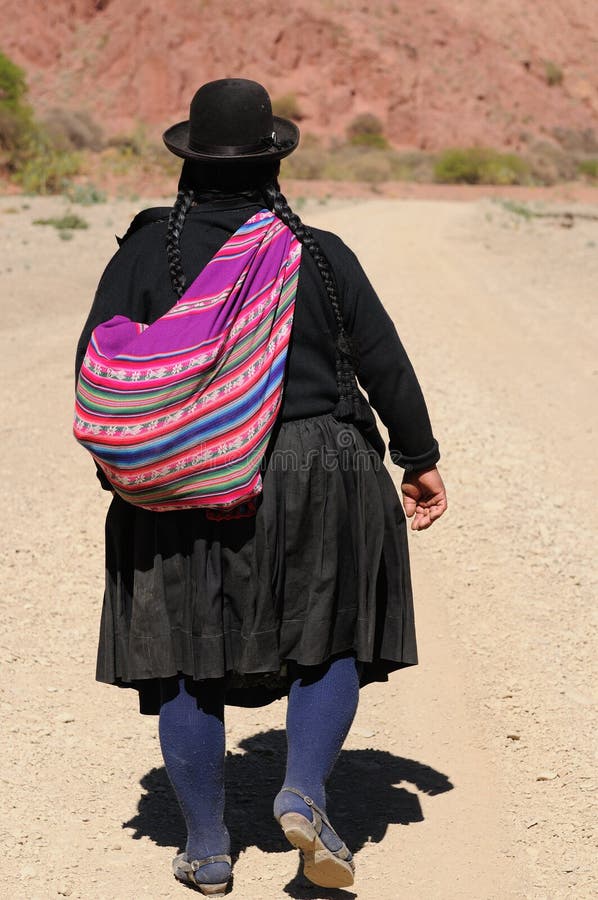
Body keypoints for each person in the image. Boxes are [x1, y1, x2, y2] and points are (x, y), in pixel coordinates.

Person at [75, 78, 447, 896]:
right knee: (331, 635)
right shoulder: (317, 251)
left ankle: (207, 847)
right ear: (273, 164)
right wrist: (417, 457)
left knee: (182, 654)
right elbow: (383, 361)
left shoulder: (142, 253)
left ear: (189, 164)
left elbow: (97, 374)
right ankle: (303, 792)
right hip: (325, 470)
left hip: (188, 475)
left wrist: (126, 470)